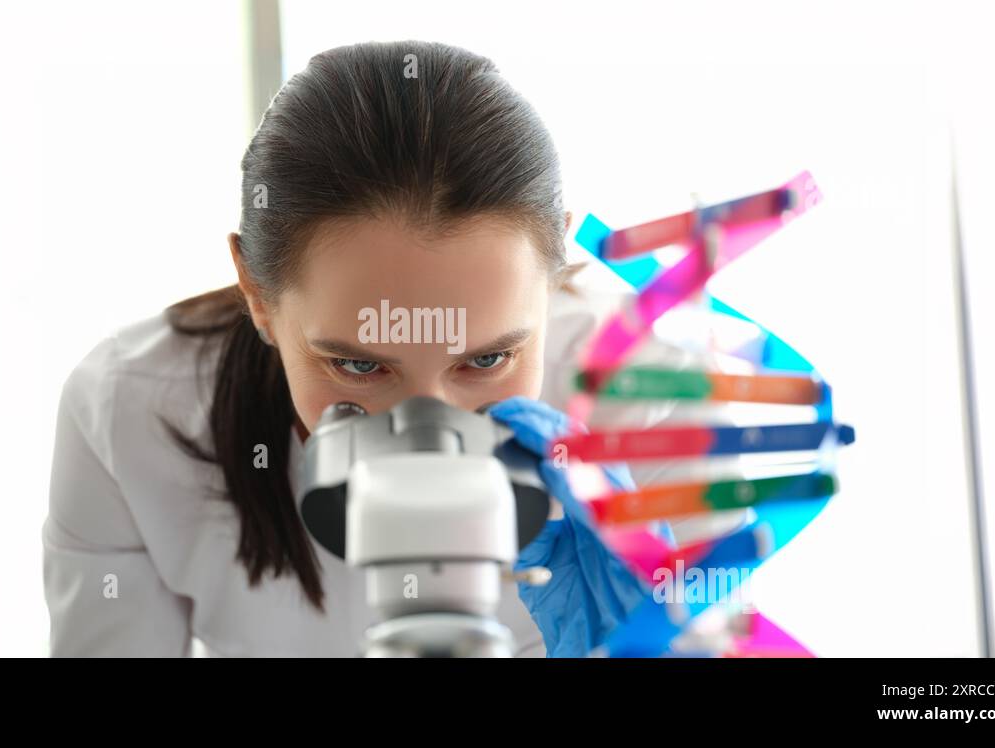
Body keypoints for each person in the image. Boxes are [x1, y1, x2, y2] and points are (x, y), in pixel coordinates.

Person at [41, 40, 734, 657]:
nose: (426, 426)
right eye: (360, 365)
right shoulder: (131, 410)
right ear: (257, 290)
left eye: (486, 360)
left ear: (549, 282)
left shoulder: (661, 403)